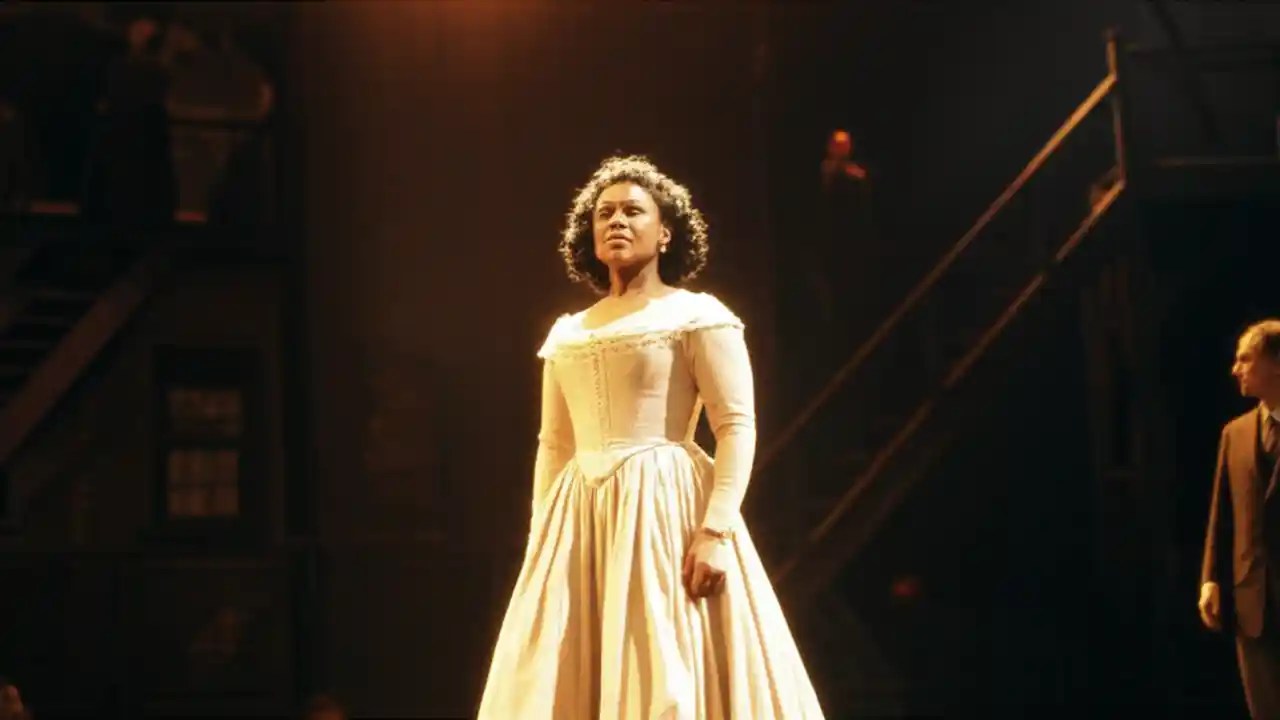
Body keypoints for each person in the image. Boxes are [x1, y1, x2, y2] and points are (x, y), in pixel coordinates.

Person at [477, 156, 824, 719]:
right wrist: (541, 535)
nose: (616, 220)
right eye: (604, 213)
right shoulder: (567, 332)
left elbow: (735, 426)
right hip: (581, 514)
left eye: (633, 211)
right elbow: (554, 443)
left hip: (664, 507)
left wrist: (715, 530)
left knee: (662, 661)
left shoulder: (696, 316)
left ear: (665, 233)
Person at [1201, 319, 1280, 718]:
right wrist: (1210, 578)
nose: (1236, 369)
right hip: (1253, 605)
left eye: (1246, 359)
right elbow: (1222, 515)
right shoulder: (1235, 434)